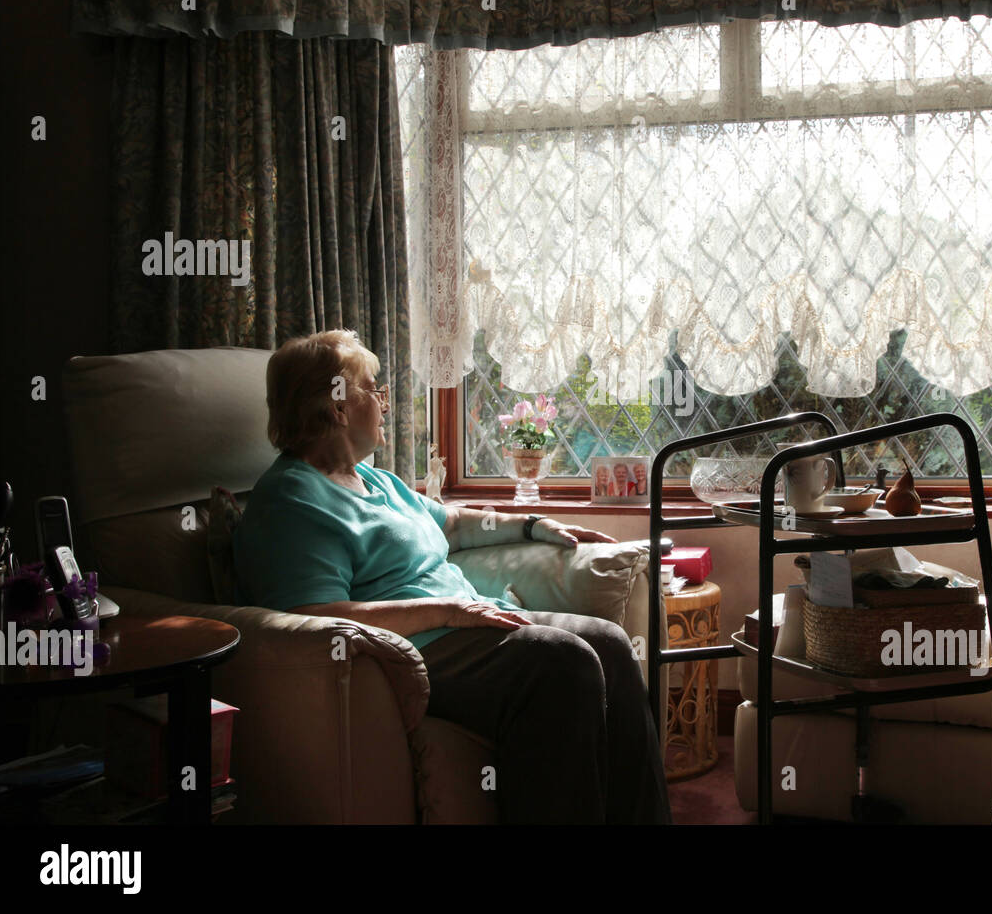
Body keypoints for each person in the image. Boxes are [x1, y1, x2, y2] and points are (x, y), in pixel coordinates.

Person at [232, 330, 671, 824]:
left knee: (610, 642)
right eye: (373, 390)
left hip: (464, 625)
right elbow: (315, 619)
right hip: (410, 653)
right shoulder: (291, 502)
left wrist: (534, 525)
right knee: (562, 662)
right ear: (336, 407)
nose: (384, 403)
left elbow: (454, 524)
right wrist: (447, 611)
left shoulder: (374, 479)